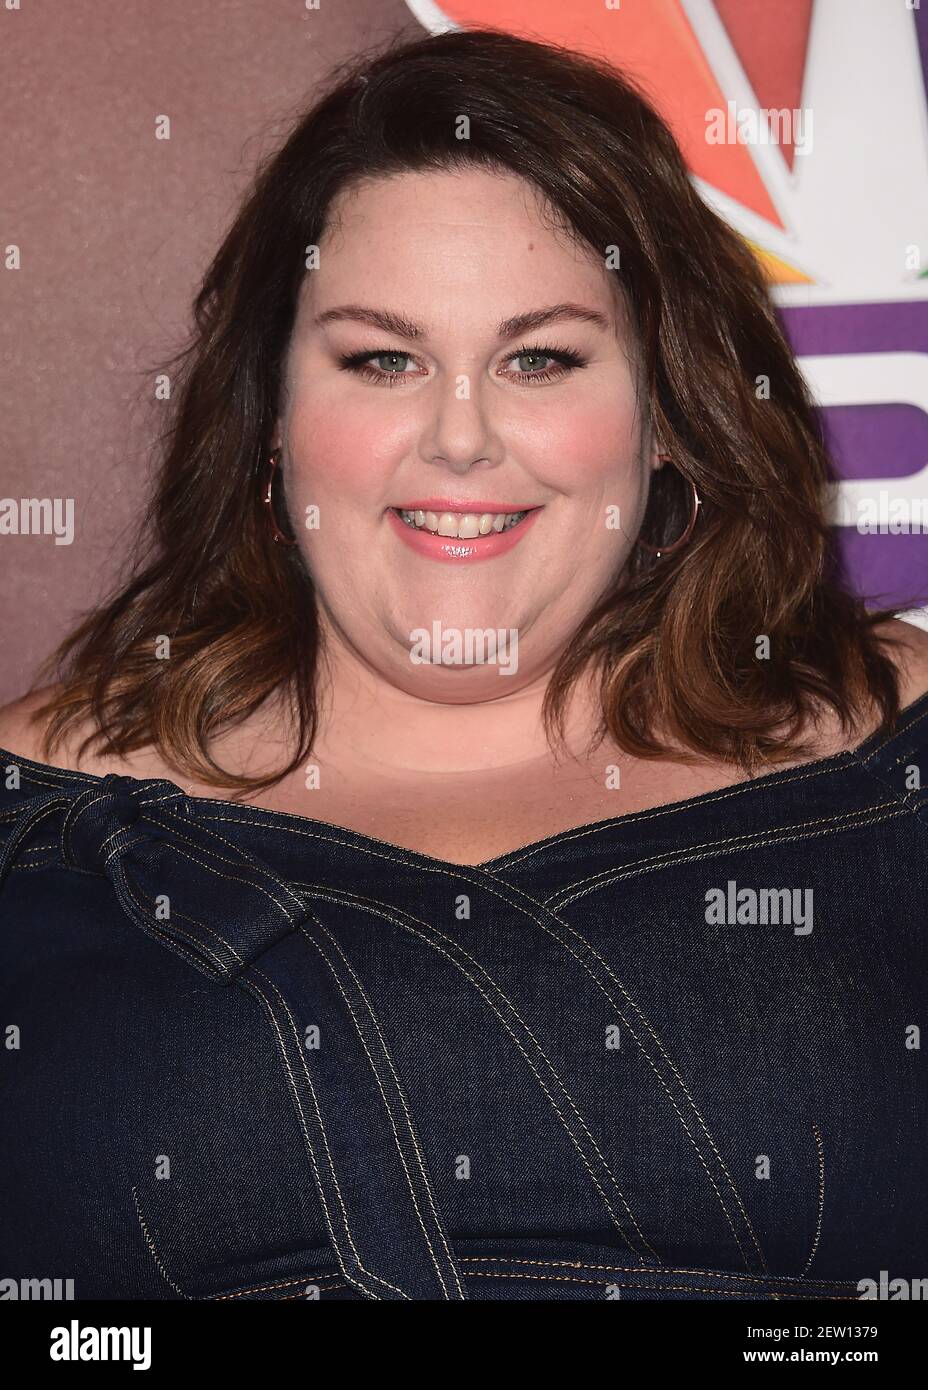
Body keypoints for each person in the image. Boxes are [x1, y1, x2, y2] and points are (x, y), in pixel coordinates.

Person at [1, 27, 926, 1302]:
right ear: (270, 424)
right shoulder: (37, 822)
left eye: (538, 356)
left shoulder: (892, 758)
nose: (458, 437)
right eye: (382, 358)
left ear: (667, 419)